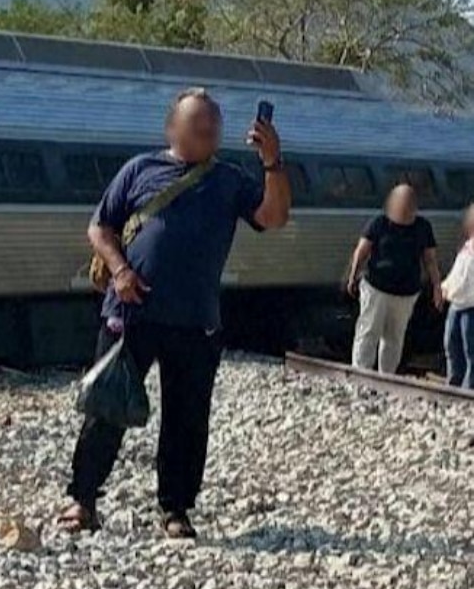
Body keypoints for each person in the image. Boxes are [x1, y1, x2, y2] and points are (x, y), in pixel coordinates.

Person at [62, 88, 291, 540]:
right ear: (172, 128)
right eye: (197, 124)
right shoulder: (139, 169)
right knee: (106, 406)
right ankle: (82, 498)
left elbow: (274, 217)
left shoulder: (229, 178)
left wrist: (272, 163)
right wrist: (120, 269)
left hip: (195, 318)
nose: (208, 132)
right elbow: (100, 226)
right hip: (130, 312)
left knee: (187, 417)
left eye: (213, 125)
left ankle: (176, 508)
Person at [344, 184, 440, 375]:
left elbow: (430, 259)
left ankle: (386, 376)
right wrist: (353, 276)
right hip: (376, 287)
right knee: (369, 330)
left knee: (394, 336)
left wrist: (437, 285)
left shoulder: (423, 227)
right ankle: (360, 373)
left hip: (406, 293)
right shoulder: (379, 223)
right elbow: (362, 251)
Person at [442, 205, 474, 387]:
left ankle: (468, 391)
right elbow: (457, 273)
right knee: (452, 347)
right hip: (457, 305)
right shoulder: (467, 248)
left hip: (471, 307)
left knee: (471, 352)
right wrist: (445, 287)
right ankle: (453, 386)